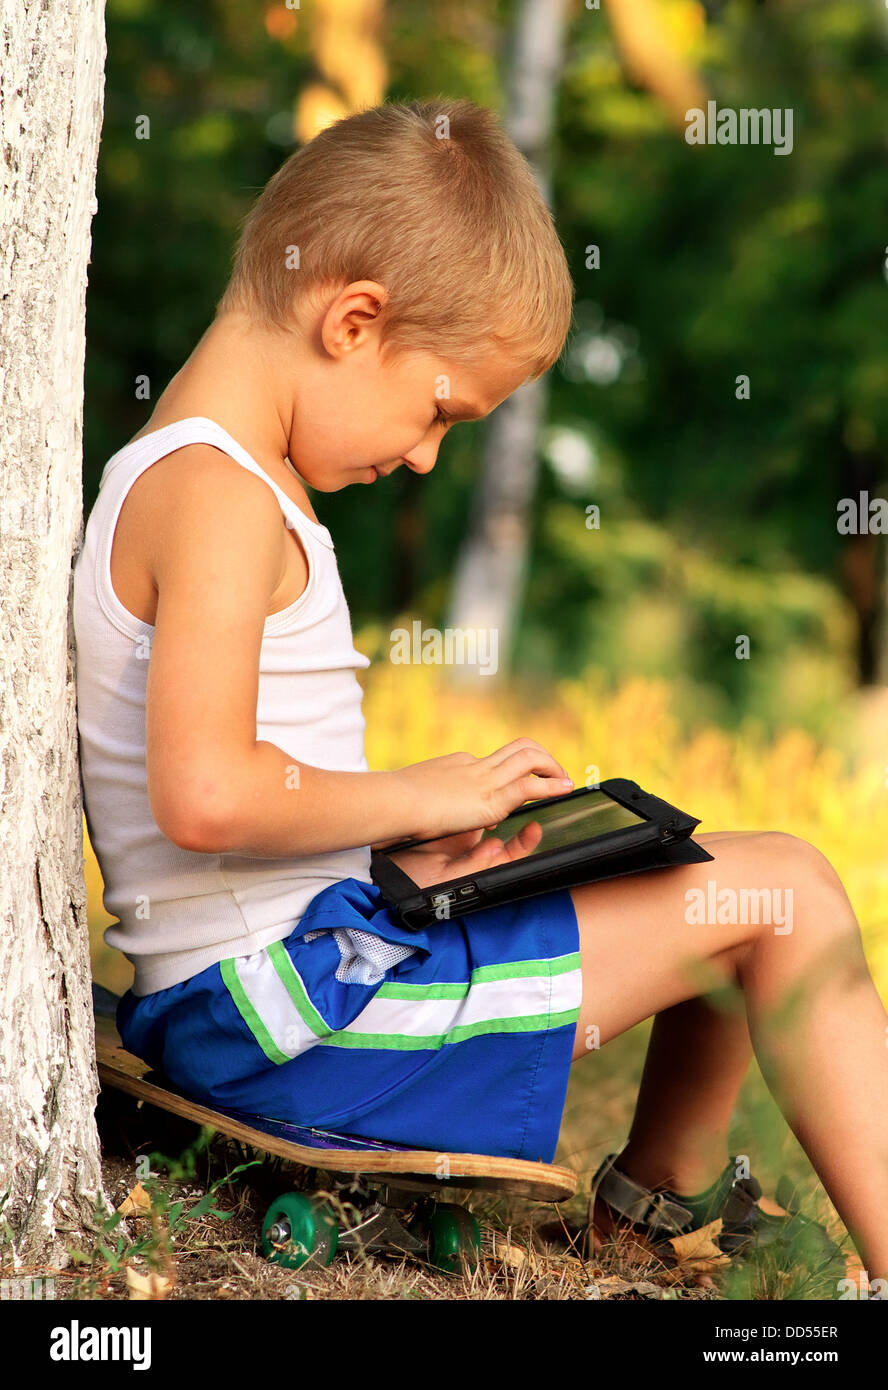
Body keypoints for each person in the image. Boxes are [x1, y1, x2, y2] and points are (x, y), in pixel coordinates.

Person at [74, 98, 887, 1289]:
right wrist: (424, 792)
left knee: (728, 876)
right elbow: (203, 795)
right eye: (441, 412)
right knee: (790, 899)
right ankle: (695, 1216)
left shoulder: (190, 474)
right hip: (293, 1022)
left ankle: (656, 1209)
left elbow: (232, 818)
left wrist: (419, 851)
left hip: (280, 989)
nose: (424, 455)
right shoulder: (219, 496)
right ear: (353, 321)